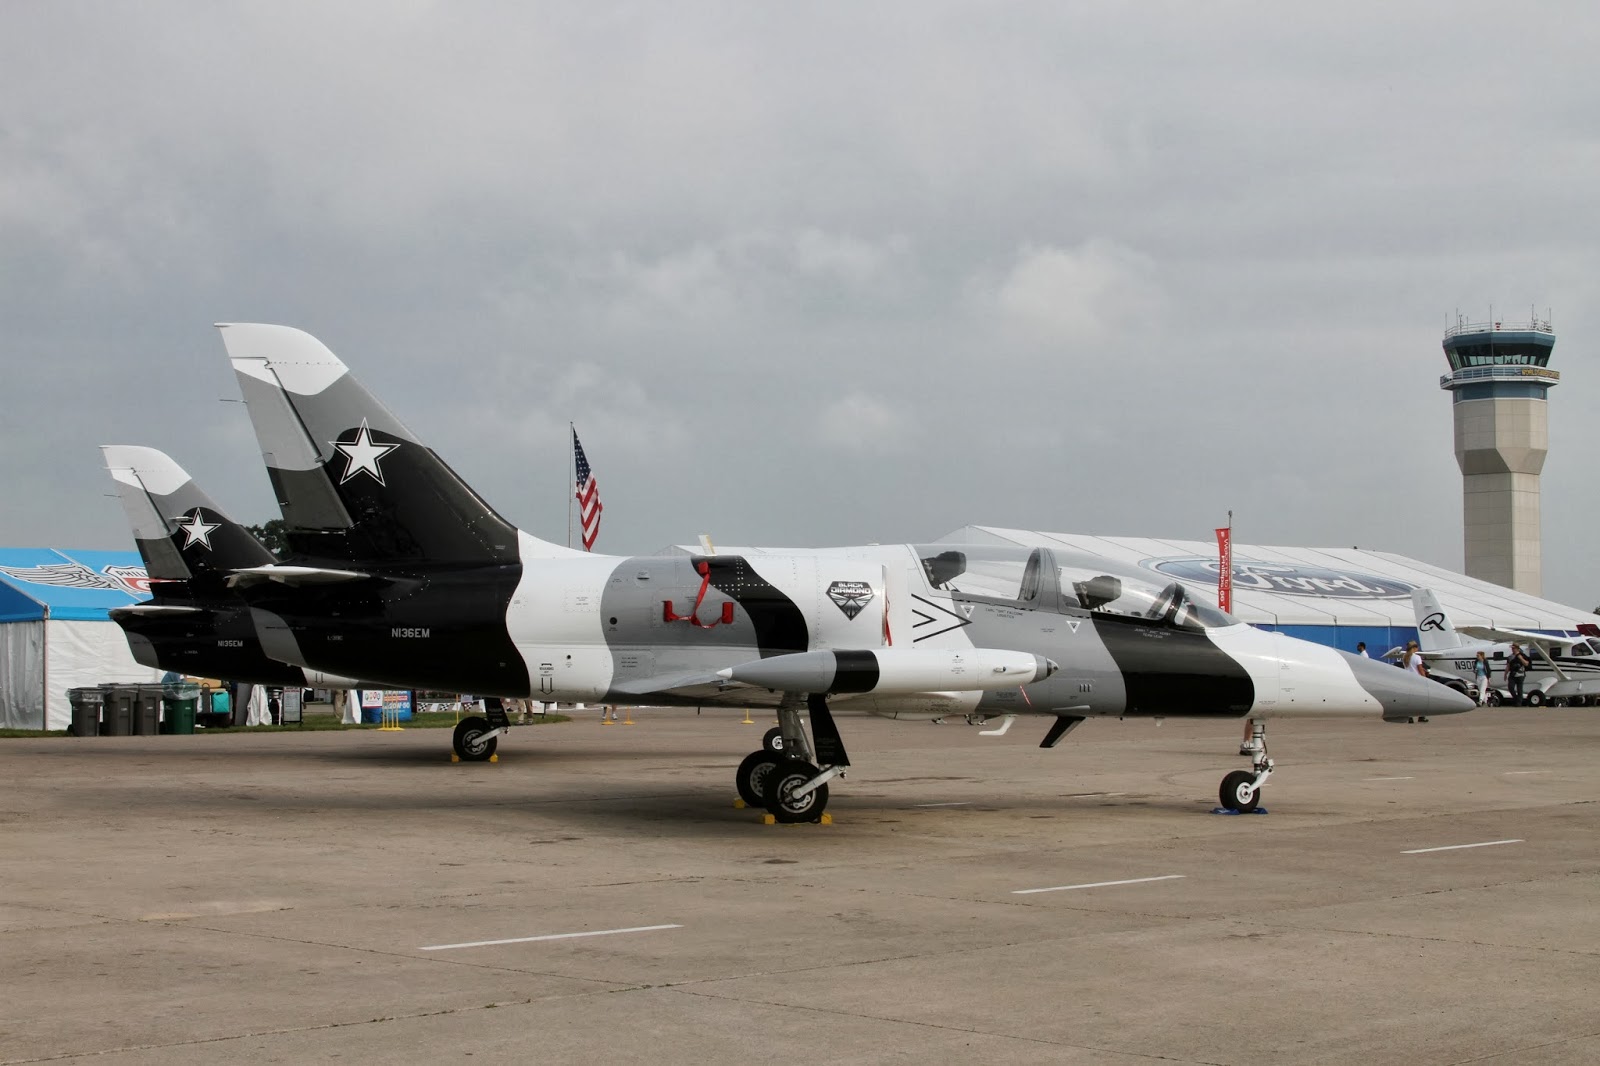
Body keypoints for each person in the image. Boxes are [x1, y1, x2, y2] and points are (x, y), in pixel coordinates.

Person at [1404, 641, 1429, 722]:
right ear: (1414, 648)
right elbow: (1420, 669)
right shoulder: (1417, 657)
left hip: (1408, 679)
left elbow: (1410, 668)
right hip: (1417, 680)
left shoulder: (1405, 657)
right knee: (1422, 699)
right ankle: (1421, 716)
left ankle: (1410, 717)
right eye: (1417, 647)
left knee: (1410, 700)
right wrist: (1425, 678)